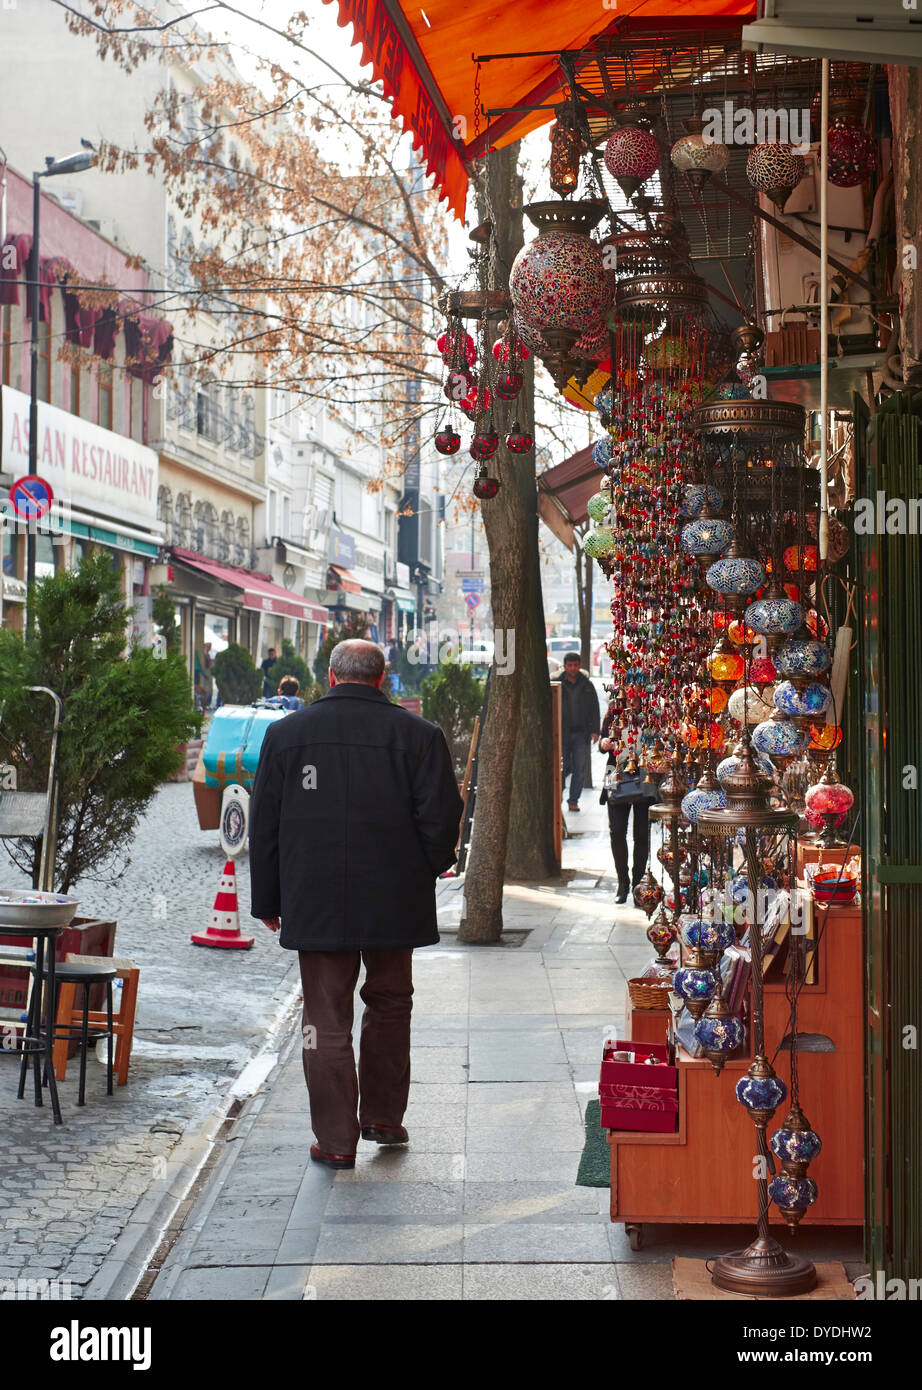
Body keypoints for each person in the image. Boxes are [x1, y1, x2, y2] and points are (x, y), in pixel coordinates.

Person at [248, 638, 463, 1170]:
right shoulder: (420, 735)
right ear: (383, 677)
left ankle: (337, 1140)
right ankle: (384, 1117)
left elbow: (265, 825)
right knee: (391, 1005)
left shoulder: (285, 735)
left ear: (329, 675)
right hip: (394, 898)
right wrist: (426, 869)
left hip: (316, 899)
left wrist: (269, 899)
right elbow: (442, 817)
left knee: (324, 1018)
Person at [599, 715, 661, 904]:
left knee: (642, 833)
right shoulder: (613, 714)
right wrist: (605, 743)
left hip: (643, 774)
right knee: (616, 831)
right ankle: (622, 883)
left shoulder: (649, 712)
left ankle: (637, 884)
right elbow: (602, 744)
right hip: (615, 771)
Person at [552, 652, 600, 812]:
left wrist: (595, 731)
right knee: (562, 767)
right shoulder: (557, 684)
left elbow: (594, 708)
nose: (572, 668)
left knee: (579, 768)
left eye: (575, 665)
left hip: (581, 733)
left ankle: (573, 800)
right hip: (561, 733)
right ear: (564, 666)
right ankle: (557, 797)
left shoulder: (587, 684)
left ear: (579, 666)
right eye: (569, 665)